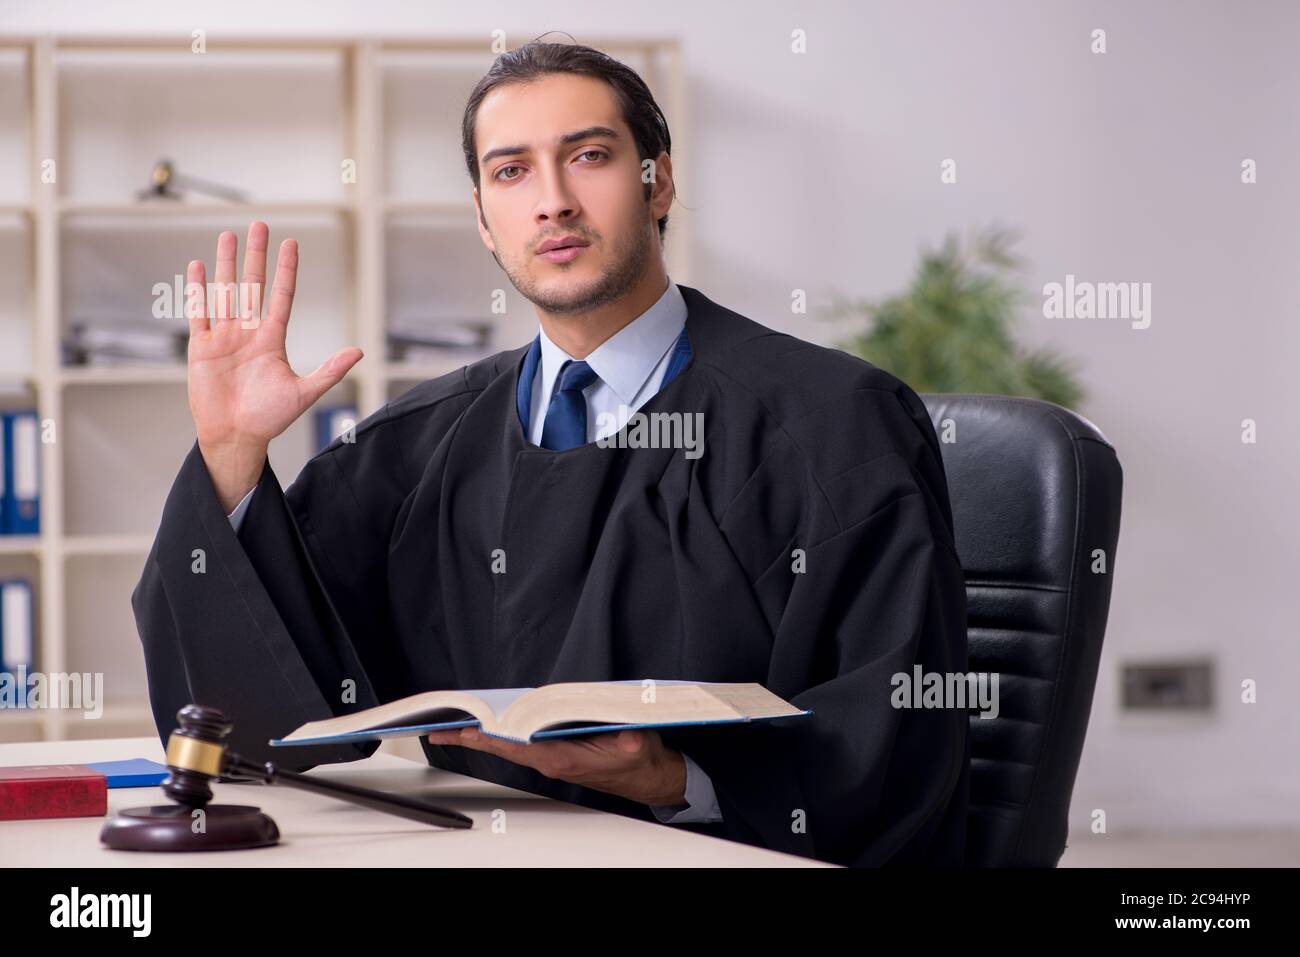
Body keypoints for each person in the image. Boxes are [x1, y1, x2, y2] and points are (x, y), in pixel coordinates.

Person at [133, 41, 970, 867]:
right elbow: (263, 714)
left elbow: (897, 744)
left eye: (591, 155)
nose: (554, 201)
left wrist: (676, 777)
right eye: (512, 172)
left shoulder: (835, 424)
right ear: (484, 222)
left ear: (659, 181)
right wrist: (232, 454)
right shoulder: (418, 444)